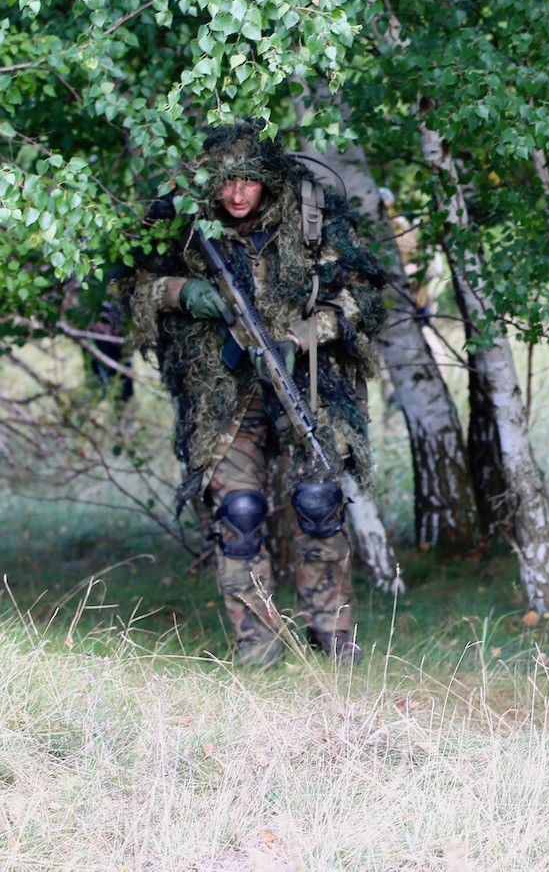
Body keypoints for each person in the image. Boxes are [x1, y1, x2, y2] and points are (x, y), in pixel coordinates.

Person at [126, 120, 387, 667]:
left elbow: (366, 294)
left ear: (267, 179)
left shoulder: (312, 216)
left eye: (248, 181)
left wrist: (310, 334)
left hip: (309, 383)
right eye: (225, 183)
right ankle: (258, 643)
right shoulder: (181, 221)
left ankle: (332, 633)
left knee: (319, 501)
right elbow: (133, 286)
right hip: (224, 394)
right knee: (240, 511)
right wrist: (183, 290)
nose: (237, 194)